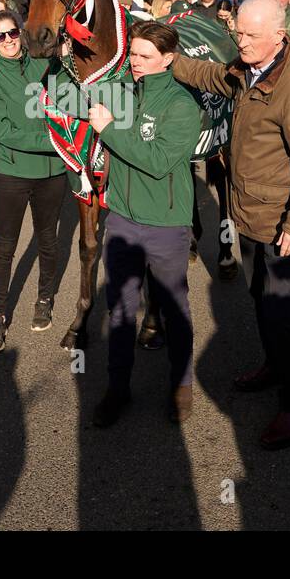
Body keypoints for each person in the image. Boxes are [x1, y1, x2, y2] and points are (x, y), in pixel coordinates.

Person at [171, 0, 290, 450]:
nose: (238, 41)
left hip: (281, 226)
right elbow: (209, 75)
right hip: (248, 216)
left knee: (281, 315)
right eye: (237, 32)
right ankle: (272, 365)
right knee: (260, 302)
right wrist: (171, 61)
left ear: (278, 37)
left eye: (248, 35)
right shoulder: (248, 70)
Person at [86, 22, 201, 427]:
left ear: (168, 59)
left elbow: (156, 162)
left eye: (145, 56)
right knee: (120, 311)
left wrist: (109, 129)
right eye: (132, 54)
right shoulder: (123, 93)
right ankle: (118, 389)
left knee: (173, 310)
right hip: (121, 219)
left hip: (166, 225)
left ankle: (181, 387)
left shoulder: (183, 105)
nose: (135, 63)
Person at [0, 12, 68, 353]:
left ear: (21, 33)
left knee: (48, 240)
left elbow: (66, 105)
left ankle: (45, 298)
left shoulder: (47, 67)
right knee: (5, 247)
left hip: (51, 173)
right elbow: (1, 131)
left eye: (12, 32)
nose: (8, 40)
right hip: (11, 175)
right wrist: (56, 140)